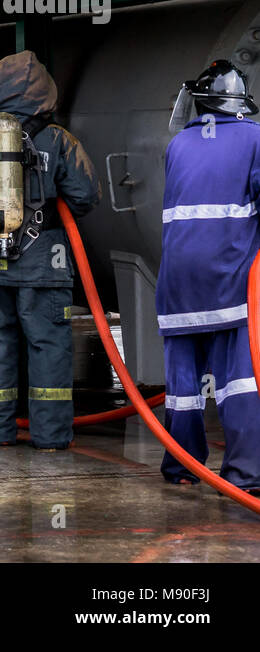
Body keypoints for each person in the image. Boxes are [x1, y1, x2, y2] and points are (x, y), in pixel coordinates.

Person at [0, 51, 101, 450]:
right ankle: (51, 437)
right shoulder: (58, 139)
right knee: (48, 345)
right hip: (43, 264)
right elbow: (85, 196)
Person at [156, 60, 260, 490]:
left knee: (184, 386)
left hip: (177, 283)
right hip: (226, 279)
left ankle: (182, 468)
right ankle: (246, 475)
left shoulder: (178, 144)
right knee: (237, 381)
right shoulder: (255, 138)